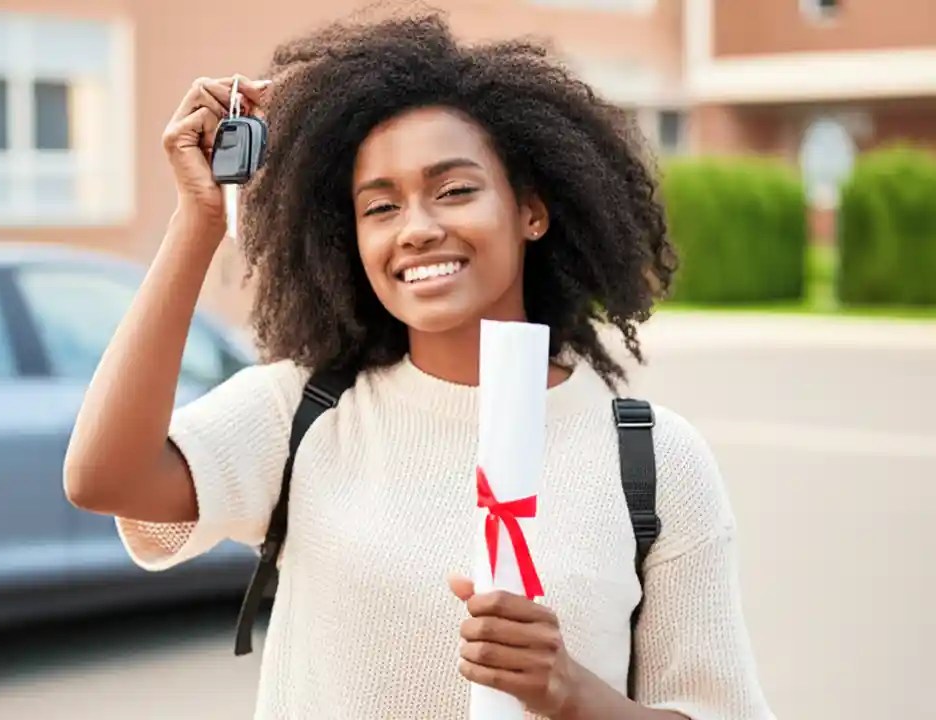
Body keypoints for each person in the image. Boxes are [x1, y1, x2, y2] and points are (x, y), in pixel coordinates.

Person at [63, 10, 773, 720]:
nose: (418, 228)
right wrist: (199, 216)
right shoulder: (303, 413)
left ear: (531, 209)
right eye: (380, 206)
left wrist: (571, 694)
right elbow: (104, 478)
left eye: (455, 190)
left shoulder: (651, 459)